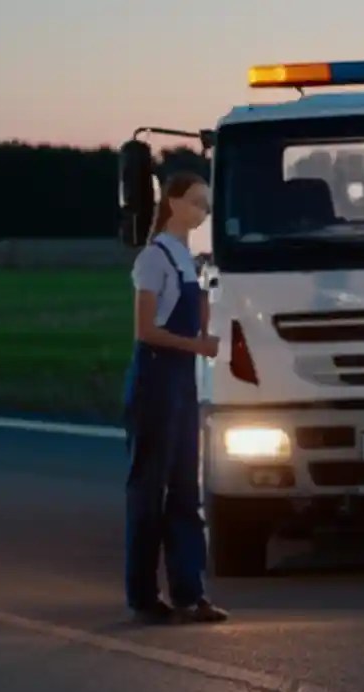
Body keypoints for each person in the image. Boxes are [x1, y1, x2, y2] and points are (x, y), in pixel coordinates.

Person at [124, 170, 229, 625]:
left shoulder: (190, 260)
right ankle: (144, 596)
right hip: (155, 380)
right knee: (150, 489)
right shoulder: (154, 258)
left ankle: (191, 592)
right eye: (196, 202)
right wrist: (198, 347)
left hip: (184, 383)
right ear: (172, 203)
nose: (202, 212)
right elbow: (145, 330)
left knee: (186, 488)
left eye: (207, 205)